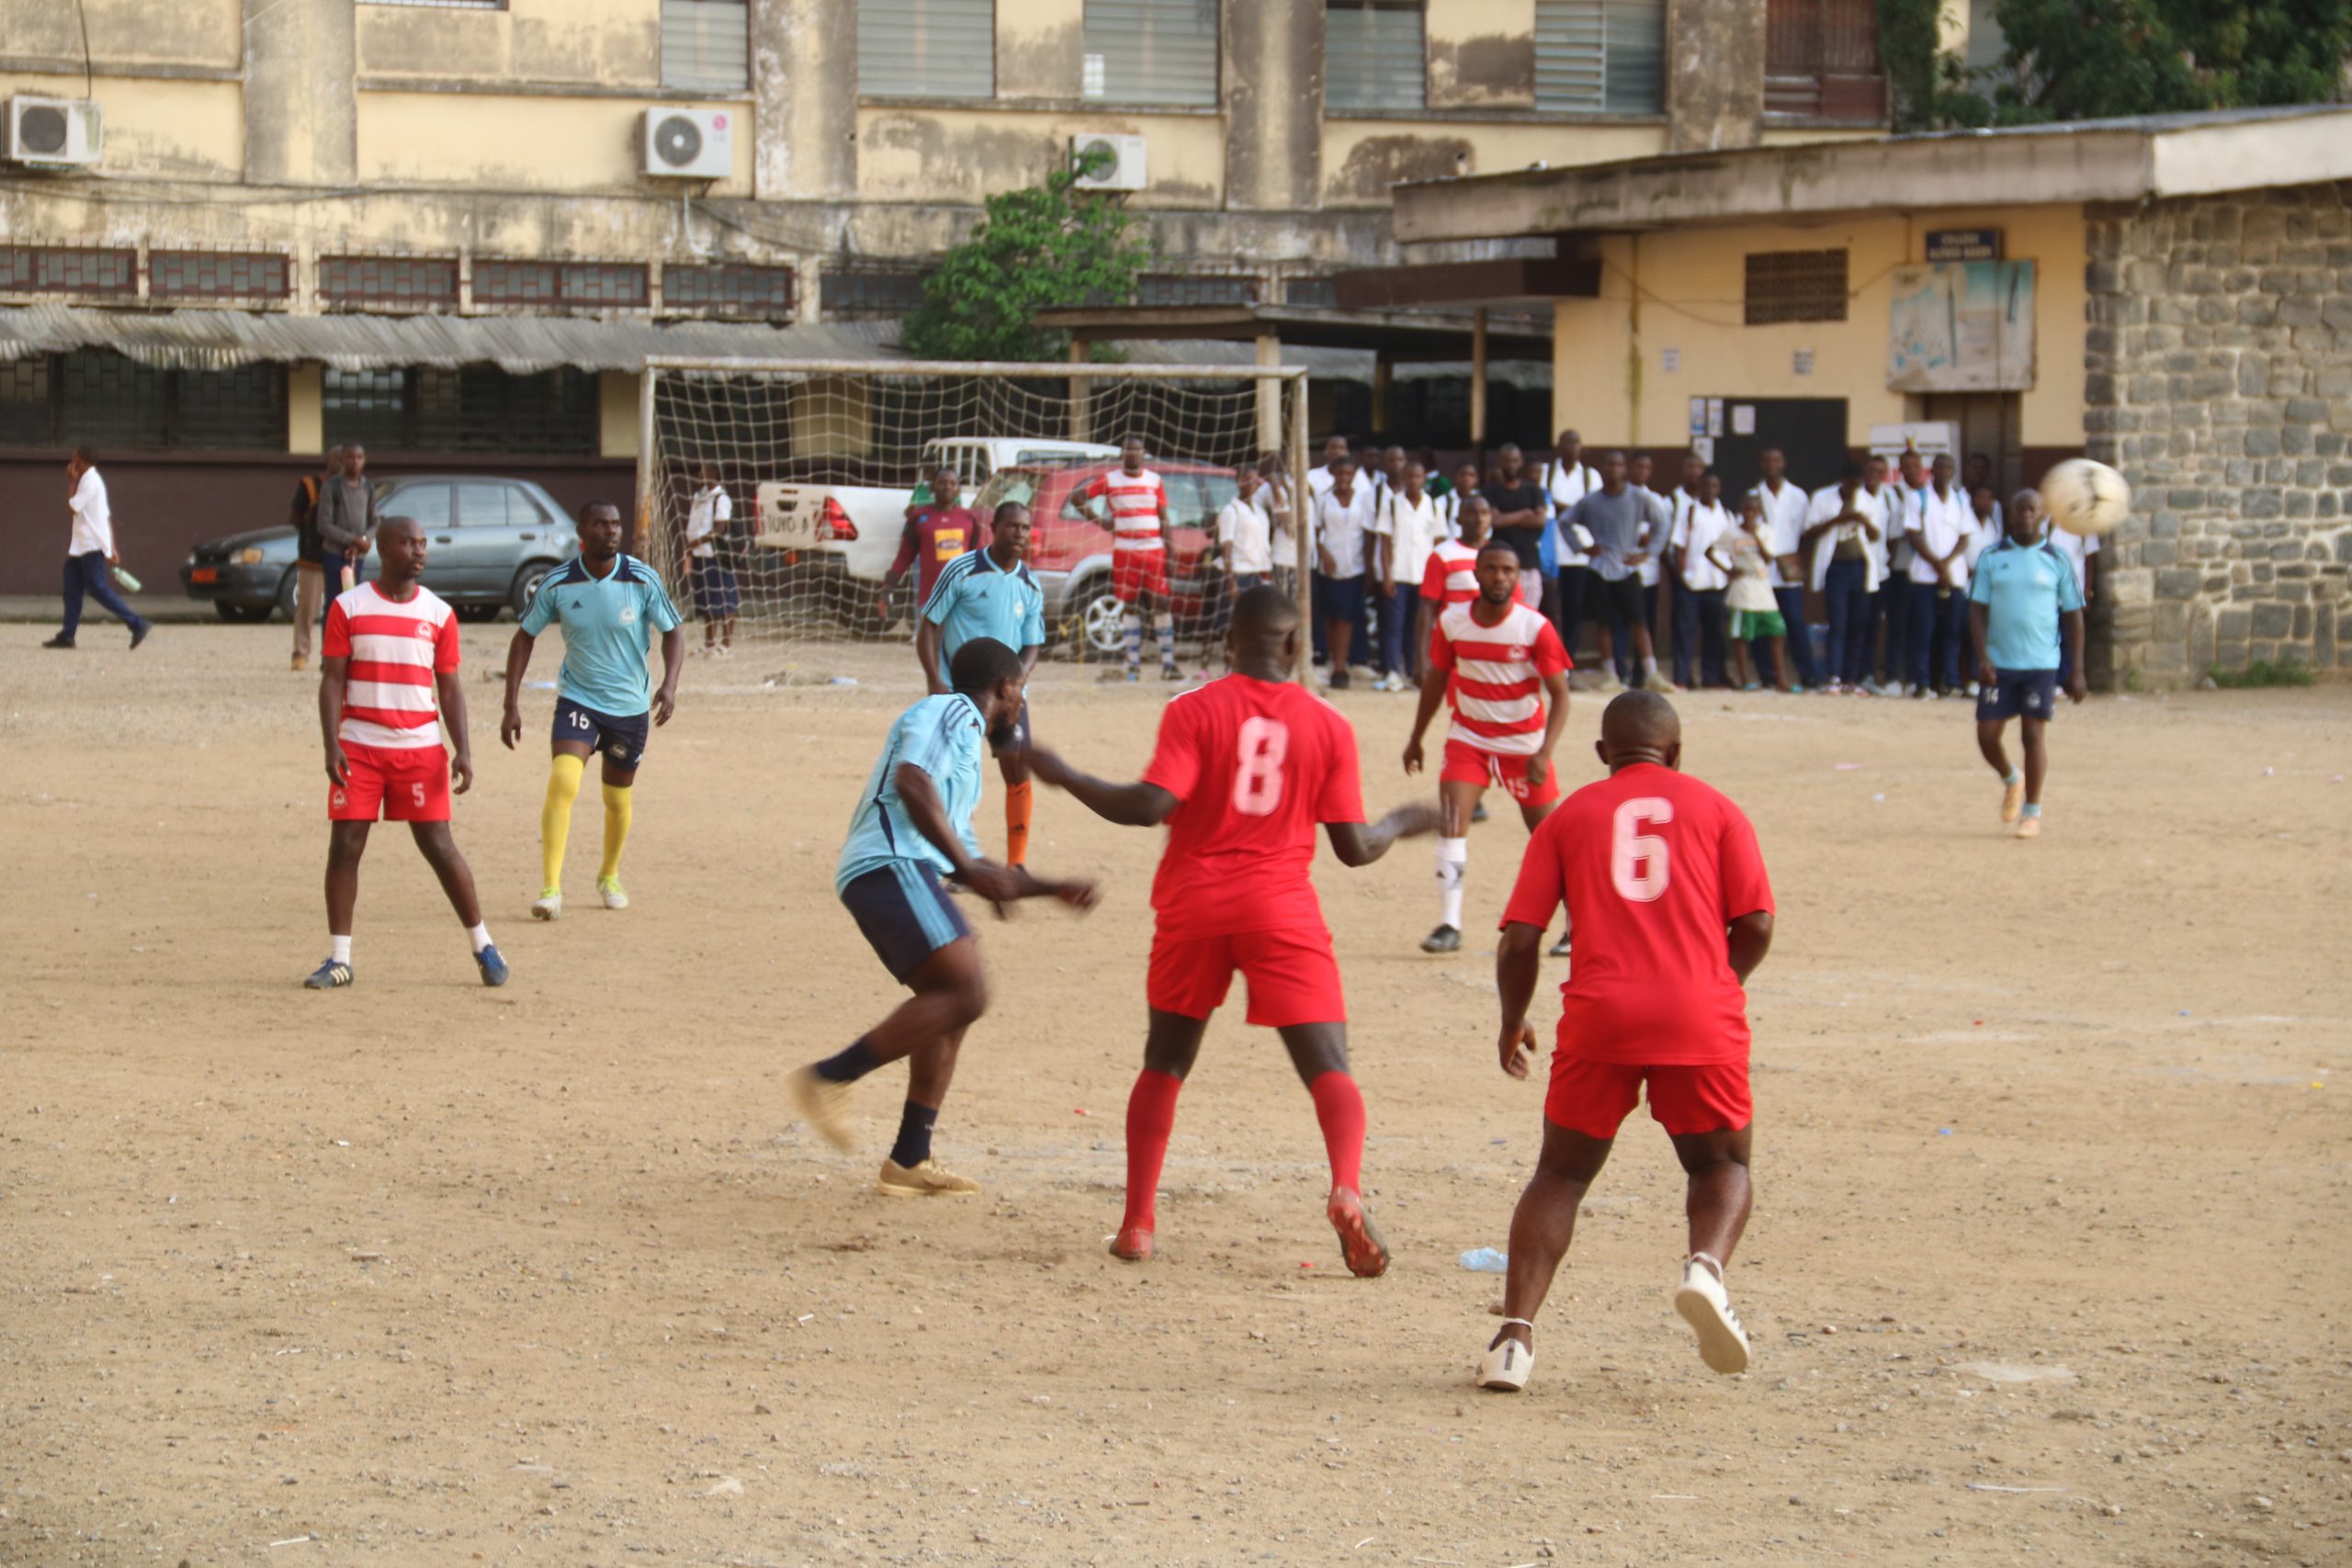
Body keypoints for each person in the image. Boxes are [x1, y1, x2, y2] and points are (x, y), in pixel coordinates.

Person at [1025, 587, 1439, 1269]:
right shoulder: (1329, 725)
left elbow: (1151, 804)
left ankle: (1136, 1224)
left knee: (1165, 1060)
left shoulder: (1192, 709)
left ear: (1226, 645)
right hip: (1280, 906)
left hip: (1195, 904)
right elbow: (1354, 847)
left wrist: (1067, 773)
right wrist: (1401, 819)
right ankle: (1346, 1187)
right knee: (1328, 1066)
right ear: (1297, 646)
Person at [1475, 691, 1775, 1393]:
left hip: (1600, 1015)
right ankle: (1705, 1267)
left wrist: (1511, 1016)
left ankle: (1513, 1340)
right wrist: (1716, 982)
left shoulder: (1567, 817)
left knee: (1562, 1174)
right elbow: (1756, 923)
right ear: (1674, 751)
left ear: (1604, 754)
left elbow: (1522, 938)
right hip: (1700, 1012)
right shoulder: (1719, 809)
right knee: (1722, 1161)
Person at [786, 637, 1098, 1196]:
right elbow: (911, 782)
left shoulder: (967, 756)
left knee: (951, 1005)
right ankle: (829, 1077)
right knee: (968, 990)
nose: (1021, 705)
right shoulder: (949, 710)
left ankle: (909, 1158)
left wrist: (1051, 889)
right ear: (1005, 688)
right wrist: (966, 867)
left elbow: (976, 865)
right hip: (891, 863)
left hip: (909, 871)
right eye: (1020, 692)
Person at [307, 515, 505, 991]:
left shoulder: (438, 613)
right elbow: (332, 680)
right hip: (360, 747)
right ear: (383, 548)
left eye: (423, 543)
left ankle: (483, 946)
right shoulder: (347, 606)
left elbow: (450, 687)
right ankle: (339, 959)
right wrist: (331, 742)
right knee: (346, 846)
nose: (419, 551)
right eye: (408, 543)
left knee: (439, 846)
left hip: (419, 748)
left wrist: (463, 750)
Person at [501, 502, 684, 919]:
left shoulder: (641, 578)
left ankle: (609, 875)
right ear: (583, 530)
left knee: (616, 799)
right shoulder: (558, 583)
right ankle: (550, 889)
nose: (611, 531)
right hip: (579, 698)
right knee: (563, 781)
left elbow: (674, 632)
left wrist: (669, 685)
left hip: (629, 708)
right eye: (601, 524)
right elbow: (523, 638)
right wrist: (510, 704)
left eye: (616, 524)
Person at [1406, 542, 1573, 957]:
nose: (1500, 577)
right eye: (1492, 569)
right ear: (1476, 574)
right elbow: (1436, 681)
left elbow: (1561, 696)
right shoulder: (1452, 621)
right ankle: (1450, 924)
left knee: (1550, 838)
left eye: (1508, 570)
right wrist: (1416, 737)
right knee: (1452, 821)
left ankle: (1575, 926)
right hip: (1470, 740)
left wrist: (1544, 753)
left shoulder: (1535, 627)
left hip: (1523, 745)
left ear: (1518, 577)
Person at [918, 502, 1046, 866]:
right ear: (994, 527)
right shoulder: (962, 569)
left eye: (1025, 528)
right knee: (955, 776)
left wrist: (1018, 682)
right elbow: (928, 626)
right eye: (1012, 527)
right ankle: (954, 861)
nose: (1019, 534)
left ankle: (1016, 863)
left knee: (1017, 767)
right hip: (961, 694)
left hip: (1007, 698)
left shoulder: (1030, 585)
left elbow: (1033, 642)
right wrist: (934, 679)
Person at [1968, 489, 2086, 840]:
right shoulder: (1991, 557)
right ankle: (2012, 778)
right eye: (2019, 510)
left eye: (2032, 510)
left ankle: (2031, 812)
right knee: (1987, 735)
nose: (2025, 516)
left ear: (2044, 515)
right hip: (1999, 662)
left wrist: (2076, 669)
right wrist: (1983, 657)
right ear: (2010, 515)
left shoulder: (2057, 559)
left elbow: (2075, 617)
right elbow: (1976, 610)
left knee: (2032, 735)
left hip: (2040, 663)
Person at [1562, 451, 1673, 696]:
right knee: (1604, 623)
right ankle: (1611, 675)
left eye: (1619, 464)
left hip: (1627, 567)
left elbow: (1663, 522)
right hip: (1600, 568)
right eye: (1610, 463)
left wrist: (1649, 552)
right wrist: (1582, 548)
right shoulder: (1590, 501)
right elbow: (1564, 521)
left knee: (1639, 621)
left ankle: (1651, 673)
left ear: (1625, 469)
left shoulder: (1639, 497)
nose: (1614, 469)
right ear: (1602, 468)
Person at [1080, 437, 1181, 682]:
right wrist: (1101, 521)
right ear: (1123, 453)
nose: (1133, 454)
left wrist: (1171, 550)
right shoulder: (1111, 480)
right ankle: (1132, 665)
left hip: (1154, 549)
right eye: (1128, 450)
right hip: (1125, 551)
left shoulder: (1154, 480)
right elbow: (1077, 498)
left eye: (1137, 449)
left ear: (1143, 453)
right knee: (1130, 604)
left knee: (1161, 602)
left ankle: (1169, 664)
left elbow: (1164, 517)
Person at [46, 446, 153, 651]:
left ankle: (137, 623)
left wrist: (71, 481)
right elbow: (104, 517)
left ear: (81, 460)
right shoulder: (92, 480)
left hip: (90, 545)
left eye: (75, 457)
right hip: (81, 546)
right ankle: (67, 635)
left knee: (98, 589)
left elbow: (72, 508)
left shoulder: (89, 482)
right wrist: (111, 546)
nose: (71, 460)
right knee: (72, 589)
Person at [1799, 462, 1883, 694]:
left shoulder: (1868, 500)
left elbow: (1875, 535)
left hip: (1861, 568)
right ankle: (1833, 677)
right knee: (1838, 623)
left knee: (1858, 625)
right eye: (1850, 484)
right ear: (1842, 480)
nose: (1854, 488)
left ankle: (1851, 678)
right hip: (1835, 568)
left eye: (1858, 485)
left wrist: (1862, 520)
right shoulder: (1822, 497)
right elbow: (1808, 532)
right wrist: (1838, 519)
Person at [1748, 448, 1816, 690]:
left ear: (1784, 463)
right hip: (1761, 571)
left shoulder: (1798, 496)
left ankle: (1807, 674)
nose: (1772, 464)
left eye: (1776, 460)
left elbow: (1807, 531)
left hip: (1788, 572)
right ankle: (1767, 674)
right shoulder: (1753, 494)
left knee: (1795, 622)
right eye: (1767, 460)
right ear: (1761, 464)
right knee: (1761, 625)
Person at [1369, 459, 1439, 692]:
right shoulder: (1391, 504)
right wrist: (1386, 576)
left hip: (1423, 576)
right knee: (1393, 625)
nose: (1413, 481)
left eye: (1418, 477)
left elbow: (1438, 542)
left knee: (1417, 625)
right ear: (1403, 479)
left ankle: (1414, 669)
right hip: (1398, 574)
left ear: (1424, 479)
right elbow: (1385, 543)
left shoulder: (1433, 506)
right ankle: (1391, 671)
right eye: (1409, 476)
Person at [1906, 453, 1972, 698]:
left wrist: (1946, 564)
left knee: (1952, 631)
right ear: (1931, 470)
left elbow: (1965, 537)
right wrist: (1936, 564)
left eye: (1949, 468)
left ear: (1953, 471)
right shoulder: (1918, 498)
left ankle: (1950, 682)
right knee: (1924, 630)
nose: (1944, 471)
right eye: (1940, 467)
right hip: (1925, 575)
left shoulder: (1960, 500)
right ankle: (1923, 683)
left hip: (1954, 575)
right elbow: (1914, 535)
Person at [1539, 429, 1600, 671]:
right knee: (1550, 612)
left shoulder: (1590, 476)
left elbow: (1593, 508)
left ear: (1581, 447)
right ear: (1559, 445)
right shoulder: (1546, 472)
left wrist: (1563, 508)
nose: (1572, 446)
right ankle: (1549, 659)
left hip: (1579, 554)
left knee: (1574, 612)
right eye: (1567, 441)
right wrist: (1575, 509)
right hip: (1550, 552)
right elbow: (1543, 503)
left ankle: (1569, 660)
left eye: (1576, 442)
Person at [1312, 454, 1374, 689]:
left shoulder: (1363, 500)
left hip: (1355, 567)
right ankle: (1332, 661)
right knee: (1331, 617)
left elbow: (1368, 536)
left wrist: (1369, 569)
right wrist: (1324, 554)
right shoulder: (1323, 500)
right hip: (1329, 568)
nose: (1344, 478)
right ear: (1333, 474)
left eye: (1348, 474)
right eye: (1340, 474)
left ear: (1354, 475)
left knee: (1347, 616)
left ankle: (1340, 667)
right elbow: (1315, 532)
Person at [888, 464, 984, 613]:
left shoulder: (969, 518)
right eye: (942, 483)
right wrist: (888, 586)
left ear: (958, 489)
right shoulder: (919, 517)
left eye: (953, 483)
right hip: (930, 600)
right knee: (927, 636)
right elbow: (904, 556)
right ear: (933, 487)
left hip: (961, 601)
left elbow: (979, 558)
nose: (947, 487)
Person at [1721, 493, 1792, 694]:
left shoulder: (1766, 531)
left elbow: (1769, 558)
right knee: (1741, 637)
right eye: (1746, 510)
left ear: (1759, 513)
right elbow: (1711, 551)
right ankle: (1745, 680)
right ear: (1741, 511)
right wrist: (1728, 569)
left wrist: (1756, 536)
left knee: (1777, 631)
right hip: (1742, 588)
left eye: (1754, 511)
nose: (1750, 514)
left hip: (1763, 588)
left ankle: (1781, 680)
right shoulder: (1731, 532)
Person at [1668, 468, 1734, 690]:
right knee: (1685, 633)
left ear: (1719, 488)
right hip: (1691, 582)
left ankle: (1711, 677)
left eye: (1714, 486)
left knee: (1715, 633)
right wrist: (1681, 576)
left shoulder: (1726, 514)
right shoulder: (1689, 512)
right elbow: (1677, 546)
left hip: (1717, 583)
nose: (1710, 490)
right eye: (1706, 485)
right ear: (1699, 487)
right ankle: (1682, 677)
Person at [1620, 454, 1670, 683]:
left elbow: (1660, 533)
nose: (1642, 470)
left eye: (1647, 467)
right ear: (1630, 468)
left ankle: (1641, 675)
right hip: (1620, 570)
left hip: (1647, 571)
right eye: (1638, 465)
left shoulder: (1657, 500)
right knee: (1619, 623)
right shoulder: (1618, 496)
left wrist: (1647, 541)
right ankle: (1620, 671)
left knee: (1645, 622)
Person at [289, 446, 340, 671]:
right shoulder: (310, 486)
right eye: (336, 457)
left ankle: (329, 656)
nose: (340, 462)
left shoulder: (351, 488)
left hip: (341, 557)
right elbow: (295, 517)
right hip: (313, 557)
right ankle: (300, 652)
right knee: (308, 607)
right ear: (327, 460)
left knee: (338, 610)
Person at [1863, 454, 1908, 694]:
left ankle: (1889, 674)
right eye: (1871, 471)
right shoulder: (1857, 495)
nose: (1875, 476)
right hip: (1860, 569)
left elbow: (1893, 536)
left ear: (1886, 475)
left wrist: (1885, 562)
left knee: (1889, 623)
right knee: (1865, 623)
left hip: (1882, 571)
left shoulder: (1891, 497)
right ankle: (1865, 674)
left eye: (1880, 472)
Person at [684, 462, 740, 658]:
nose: (700, 473)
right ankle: (709, 644)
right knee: (706, 601)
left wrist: (696, 542)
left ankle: (726, 645)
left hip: (716, 555)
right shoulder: (700, 497)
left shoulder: (721, 498)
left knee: (724, 599)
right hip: (700, 554)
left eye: (705, 470)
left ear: (714, 473)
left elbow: (719, 529)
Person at [2044, 508, 2102, 689]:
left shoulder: (2083, 525)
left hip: (2074, 590)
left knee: (2071, 637)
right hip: (2049, 590)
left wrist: (2087, 590)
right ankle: (2053, 679)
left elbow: (2090, 559)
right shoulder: (2047, 523)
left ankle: (2067, 679)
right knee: (2051, 637)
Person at [314, 441, 380, 597]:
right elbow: (323, 525)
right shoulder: (332, 487)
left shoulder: (368, 487)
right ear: (342, 459)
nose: (355, 461)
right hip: (335, 554)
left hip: (358, 556)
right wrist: (353, 540)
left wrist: (363, 540)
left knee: (354, 601)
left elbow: (375, 521)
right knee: (335, 601)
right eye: (350, 457)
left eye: (359, 457)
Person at [1481, 444, 1550, 584]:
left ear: (1521, 462)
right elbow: (1495, 521)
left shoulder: (1534, 491)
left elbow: (1540, 521)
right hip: (1499, 564)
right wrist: (1525, 513)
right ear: (1500, 462)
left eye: (1515, 460)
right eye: (1507, 461)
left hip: (1528, 564)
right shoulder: (1489, 491)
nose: (1511, 465)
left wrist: (1506, 517)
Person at [1219, 465, 1273, 598]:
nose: (1252, 484)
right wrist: (1230, 580)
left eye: (1255, 481)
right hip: (1240, 574)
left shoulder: (1259, 510)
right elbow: (1226, 547)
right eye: (1247, 480)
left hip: (1258, 573)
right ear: (1239, 481)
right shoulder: (1231, 510)